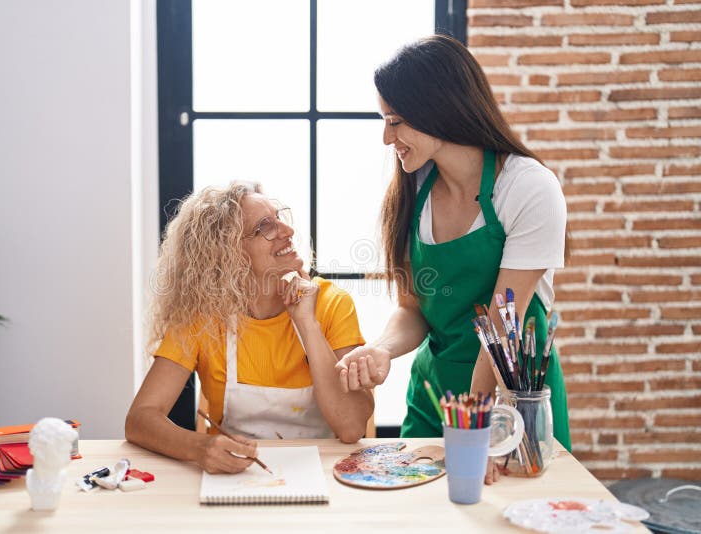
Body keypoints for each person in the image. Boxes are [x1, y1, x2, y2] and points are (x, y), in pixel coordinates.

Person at [335, 34, 571, 481]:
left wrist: (477, 430)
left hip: (508, 397)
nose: (387, 137)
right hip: (433, 389)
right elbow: (414, 310)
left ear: (438, 111)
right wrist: (381, 350)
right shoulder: (412, 190)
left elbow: (503, 327)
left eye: (396, 121)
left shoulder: (528, 188)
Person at [126, 183, 373, 474]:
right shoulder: (203, 320)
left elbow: (352, 427)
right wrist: (199, 447)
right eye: (265, 227)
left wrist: (307, 323)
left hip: (321, 476)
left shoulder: (331, 304)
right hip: (235, 477)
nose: (287, 231)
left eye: (280, 217)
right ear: (228, 253)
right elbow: (140, 419)